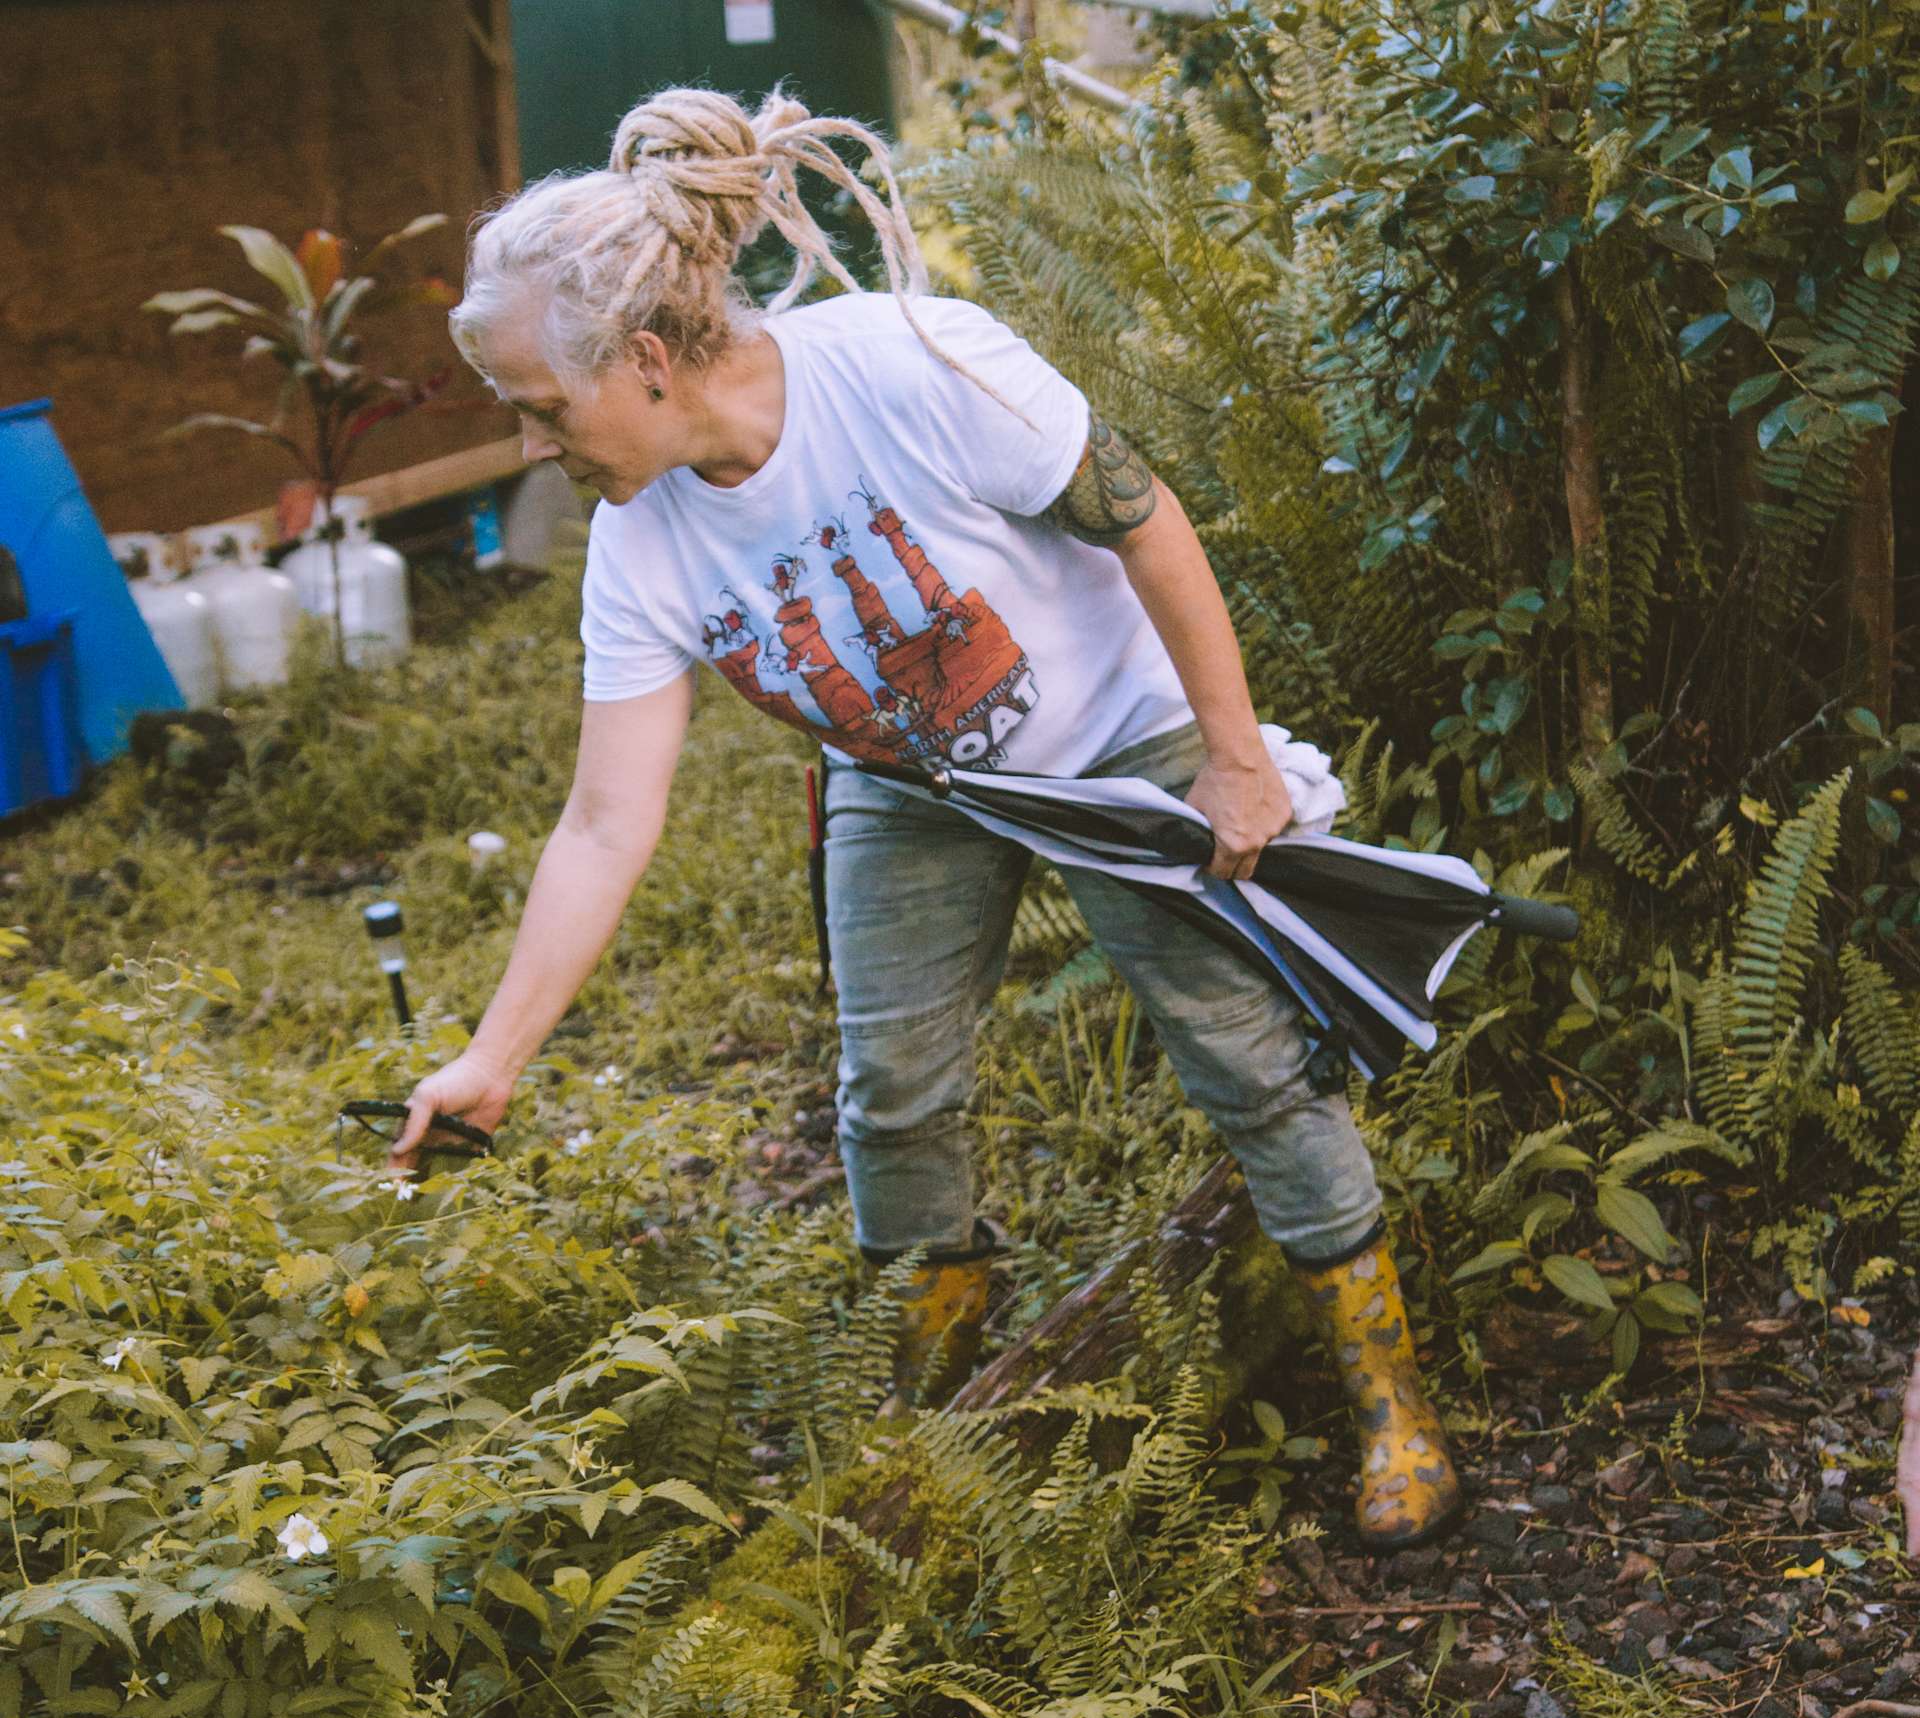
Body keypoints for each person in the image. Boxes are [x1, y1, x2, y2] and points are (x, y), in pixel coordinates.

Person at [392, 85, 1464, 1552]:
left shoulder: (911, 364)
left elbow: (1142, 516)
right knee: (889, 1096)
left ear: (643, 363)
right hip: (919, 788)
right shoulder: (637, 547)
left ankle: (1389, 1399)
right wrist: (492, 1058)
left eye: (539, 409)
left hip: (1116, 739)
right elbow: (600, 821)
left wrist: (1233, 761)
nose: (530, 446)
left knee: (1242, 1060)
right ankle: (939, 1423)